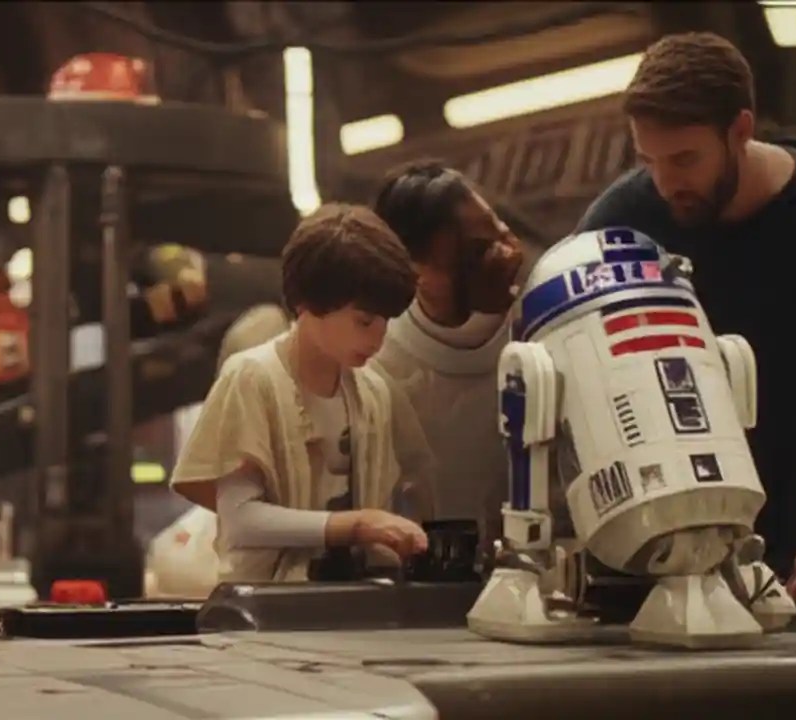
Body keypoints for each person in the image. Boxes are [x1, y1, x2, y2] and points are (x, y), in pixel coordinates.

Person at [573, 32, 796, 597]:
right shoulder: (625, 221)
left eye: (685, 158)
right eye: (648, 160)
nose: (665, 183)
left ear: (740, 130)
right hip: (673, 553)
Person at [170, 203, 433, 583]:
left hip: (352, 606)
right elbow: (240, 518)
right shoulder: (253, 378)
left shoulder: (372, 391)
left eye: (385, 322)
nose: (378, 338)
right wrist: (357, 525)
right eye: (364, 321)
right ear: (308, 303)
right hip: (264, 611)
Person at [368, 161, 531, 541]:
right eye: (475, 253)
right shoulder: (375, 361)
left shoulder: (544, 332)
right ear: (414, 272)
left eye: (500, 235)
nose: (504, 257)